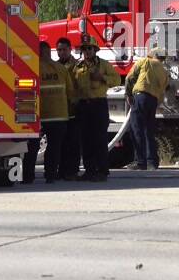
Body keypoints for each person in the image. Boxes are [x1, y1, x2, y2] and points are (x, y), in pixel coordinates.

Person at [71, 36, 120, 182]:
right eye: (83, 49)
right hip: (83, 106)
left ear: (95, 50)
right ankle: (89, 171)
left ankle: (102, 171)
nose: (86, 51)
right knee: (85, 140)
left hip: (98, 105)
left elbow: (117, 80)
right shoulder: (78, 67)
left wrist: (102, 78)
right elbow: (73, 87)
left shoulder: (103, 65)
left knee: (99, 139)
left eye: (89, 48)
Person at [24, 39, 72, 184]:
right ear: (49, 51)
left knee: (31, 148)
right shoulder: (61, 69)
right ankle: (50, 176)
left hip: (38, 116)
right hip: (59, 115)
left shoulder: (32, 68)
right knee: (54, 148)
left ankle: (28, 177)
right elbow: (70, 91)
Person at [125, 46, 169, 170]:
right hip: (153, 101)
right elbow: (163, 90)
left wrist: (128, 94)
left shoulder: (145, 61)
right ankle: (152, 162)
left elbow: (129, 77)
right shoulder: (164, 71)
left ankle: (140, 162)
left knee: (136, 129)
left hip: (140, 97)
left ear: (153, 54)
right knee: (148, 131)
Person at [55, 37, 82, 180]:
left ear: (70, 49)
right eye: (59, 50)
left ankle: (73, 170)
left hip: (74, 109)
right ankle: (62, 170)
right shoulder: (55, 66)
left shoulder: (77, 65)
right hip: (60, 110)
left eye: (64, 49)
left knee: (74, 142)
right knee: (62, 143)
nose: (61, 52)